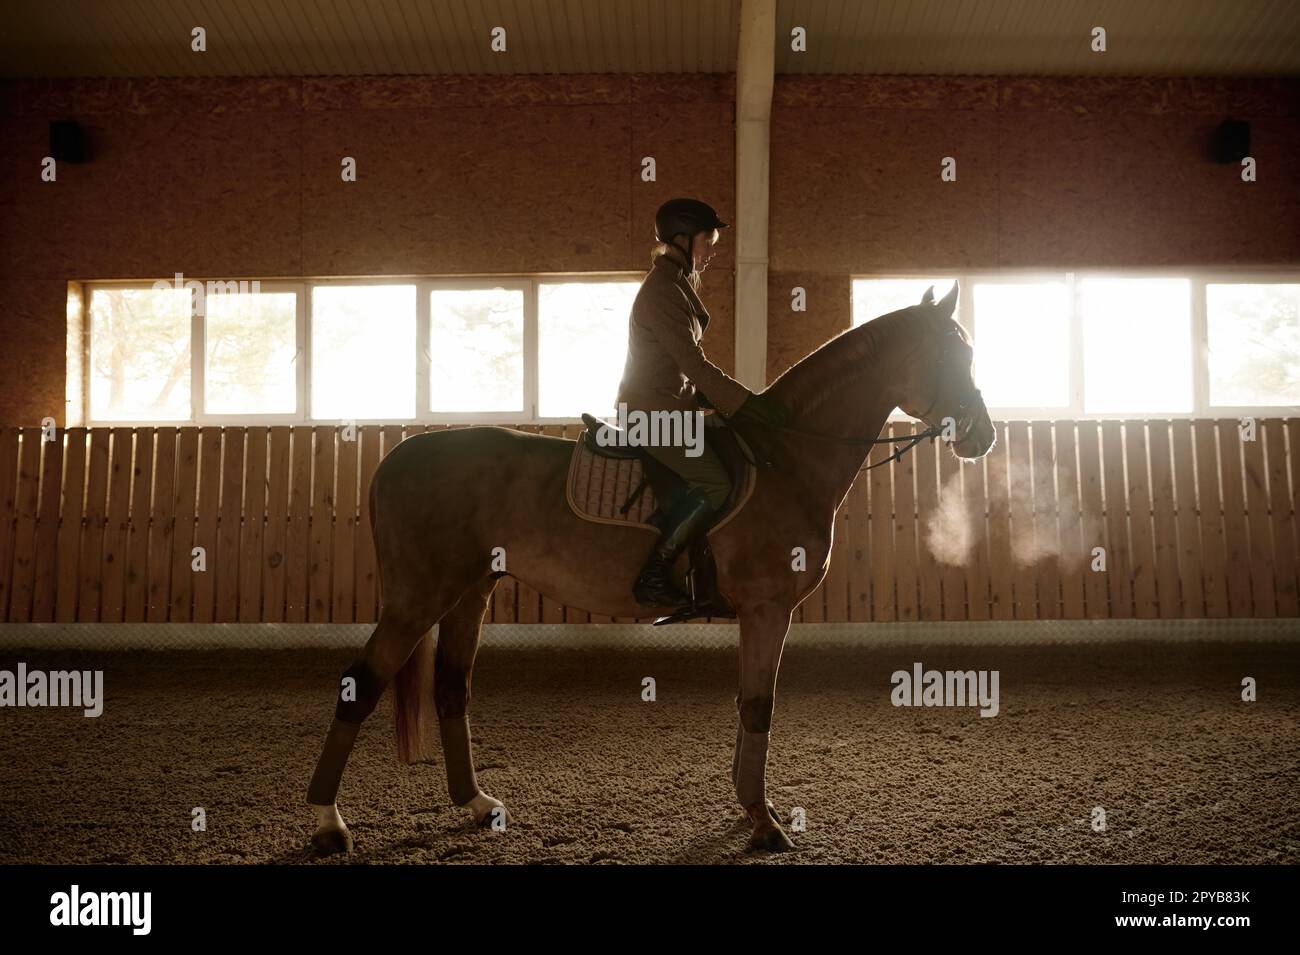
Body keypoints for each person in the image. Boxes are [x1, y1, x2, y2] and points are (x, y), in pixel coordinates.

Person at [617, 198, 789, 608]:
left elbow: (681, 372)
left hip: (672, 409)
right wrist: (746, 404)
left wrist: (722, 409)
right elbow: (694, 365)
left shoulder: (676, 284)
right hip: (649, 416)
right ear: (681, 239)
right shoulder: (662, 291)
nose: (712, 251)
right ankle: (655, 572)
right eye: (707, 241)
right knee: (716, 481)